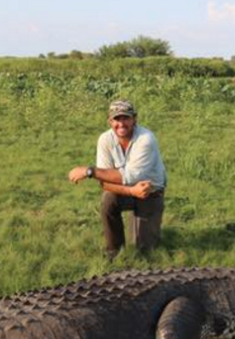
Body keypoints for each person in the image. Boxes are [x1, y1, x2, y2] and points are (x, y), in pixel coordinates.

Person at [67, 100, 167, 259]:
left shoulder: (146, 139)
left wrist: (89, 171)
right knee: (108, 200)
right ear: (110, 121)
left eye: (125, 118)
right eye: (116, 119)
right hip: (129, 190)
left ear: (135, 119)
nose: (121, 123)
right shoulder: (105, 140)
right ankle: (114, 251)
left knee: (146, 252)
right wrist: (130, 190)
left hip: (150, 191)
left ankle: (145, 230)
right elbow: (105, 183)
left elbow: (131, 176)